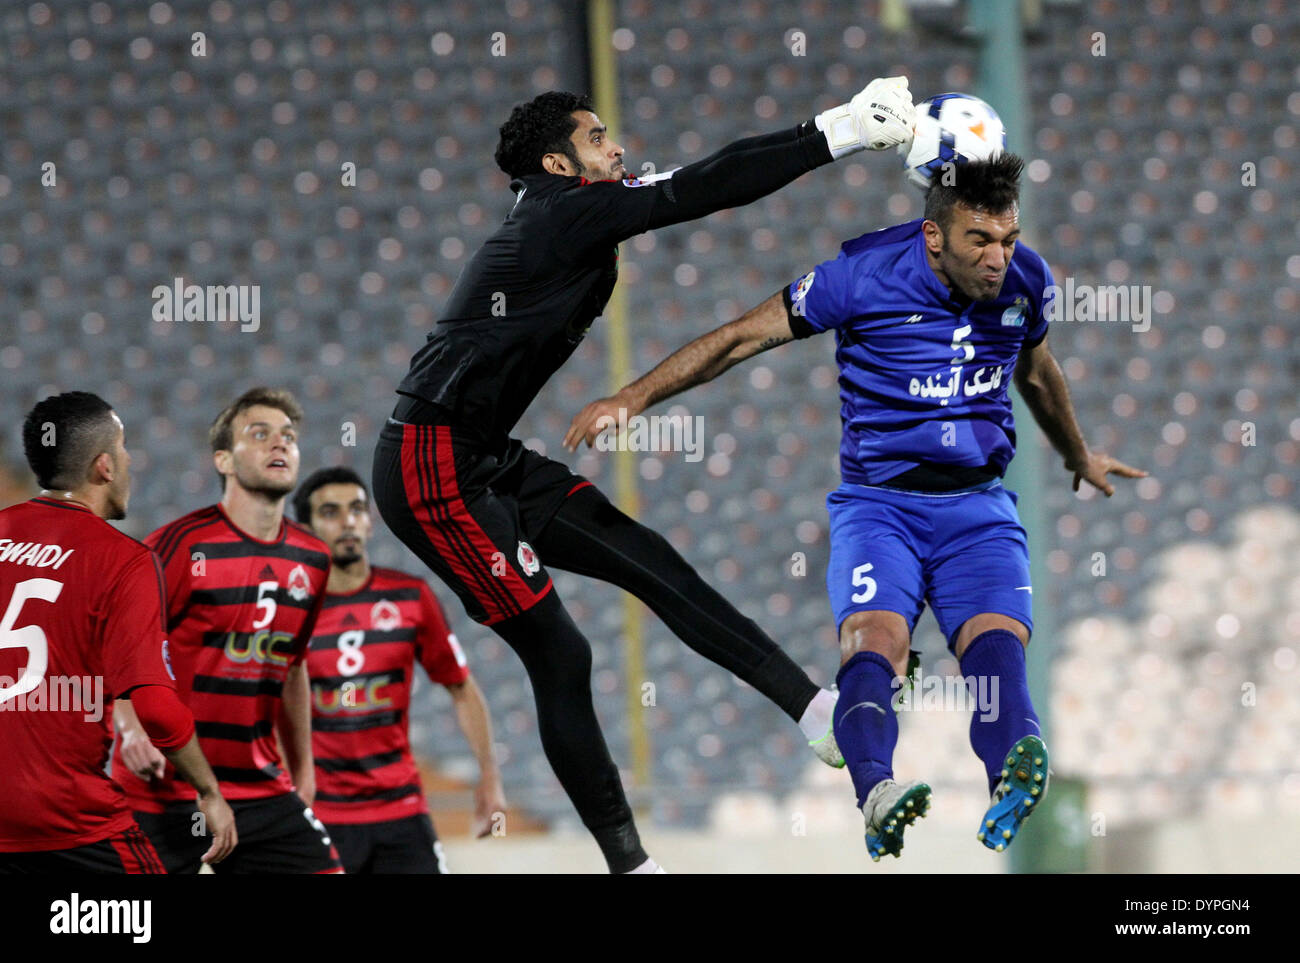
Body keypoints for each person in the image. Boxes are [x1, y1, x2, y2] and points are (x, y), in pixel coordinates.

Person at [373, 80, 917, 873]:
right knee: (561, 654)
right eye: (598, 138)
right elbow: (702, 185)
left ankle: (815, 714)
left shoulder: (560, 215)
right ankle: (630, 864)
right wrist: (838, 130)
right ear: (560, 162)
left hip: (481, 452)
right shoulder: (564, 211)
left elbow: (695, 181)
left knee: (652, 559)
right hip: (432, 467)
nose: (617, 147)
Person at [566, 153, 1147, 860]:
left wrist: (1076, 452)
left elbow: (1036, 369)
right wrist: (633, 397)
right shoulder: (860, 278)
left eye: (1008, 239)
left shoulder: (1027, 281)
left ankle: (1012, 772)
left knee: (998, 655)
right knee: (876, 643)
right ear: (934, 236)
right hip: (881, 508)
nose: (998, 259)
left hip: (979, 508)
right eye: (980, 242)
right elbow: (741, 337)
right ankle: (876, 791)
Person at [0, 391, 235, 873]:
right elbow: (156, 707)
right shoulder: (124, 561)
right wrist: (209, 790)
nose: (130, 461)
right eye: (124, 449)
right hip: (68, 822)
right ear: (104, 466)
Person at [112, 387, 343, 873]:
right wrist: (130, 726)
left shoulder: (314, 557)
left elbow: (294, 666)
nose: (279, 445)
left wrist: (304, 769)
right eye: (259, 435)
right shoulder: (177, 546)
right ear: (223, 459)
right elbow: (120, 645)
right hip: (168, 790)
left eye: (288, 437)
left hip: (261, 788)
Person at [293, 466, 506, 873]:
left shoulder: (410, 597)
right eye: (331, 512)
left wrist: (490, 777)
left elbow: (461, 688)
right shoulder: (292, 610)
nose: (348, 521)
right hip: (323, 815)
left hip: (401, 810)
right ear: (306, 529)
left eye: (357, 509)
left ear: (370, 522)